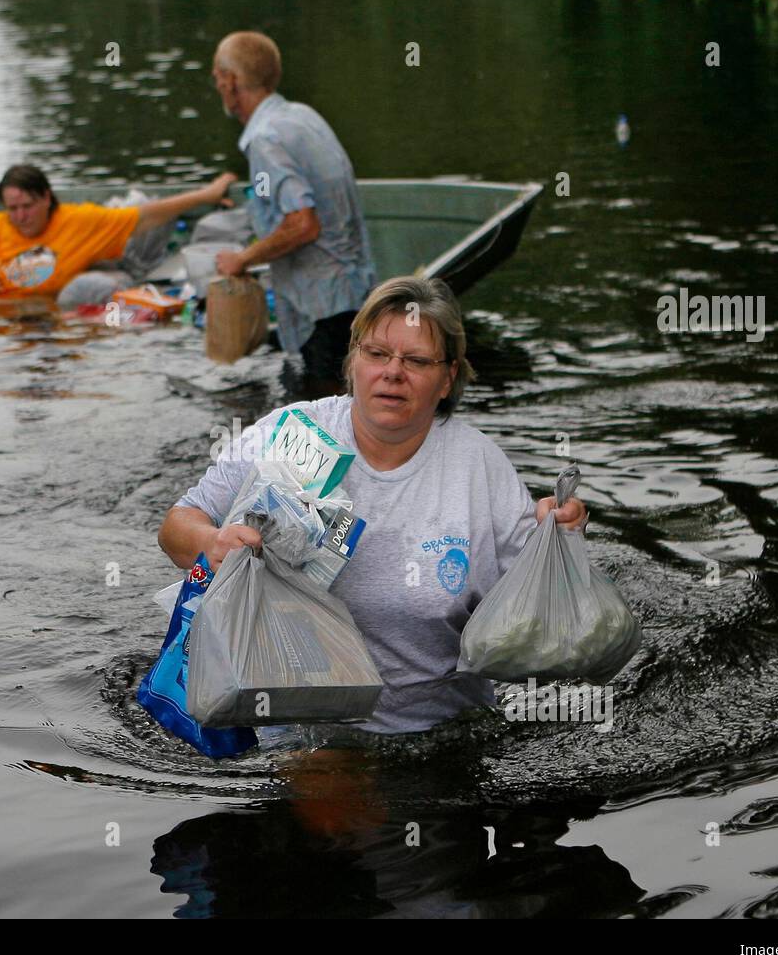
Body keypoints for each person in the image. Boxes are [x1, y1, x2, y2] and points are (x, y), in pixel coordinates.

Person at [157, 275, 589, 737]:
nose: (393, 372)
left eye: (417, 360)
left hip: (444, 731)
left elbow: (539, 619)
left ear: (448, 378)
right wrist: (212, 542)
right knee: (334, 790)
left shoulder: (479, 467)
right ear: (353, 360)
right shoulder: (290, 433)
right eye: (377, 354)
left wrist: (558, 539)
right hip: (299, 722)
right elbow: (176, 527)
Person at [210, 31, 376, 395]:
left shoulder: (265, 140)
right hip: (354, 292)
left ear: (232, 81)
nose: (217, 84)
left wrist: (243, 259)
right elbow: (287, 203)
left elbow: (303, 223)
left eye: (217, 75)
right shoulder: (302, 116)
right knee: (348, 411)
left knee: (325, 423)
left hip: (324, 308)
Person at [0, 164, 233, 299]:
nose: (20, 216)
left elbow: (144, 217)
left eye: (27, 206)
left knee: (83, 289)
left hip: (49, 316)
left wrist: (206, 195)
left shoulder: (78, 222)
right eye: (12, 208)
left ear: (46, 198)